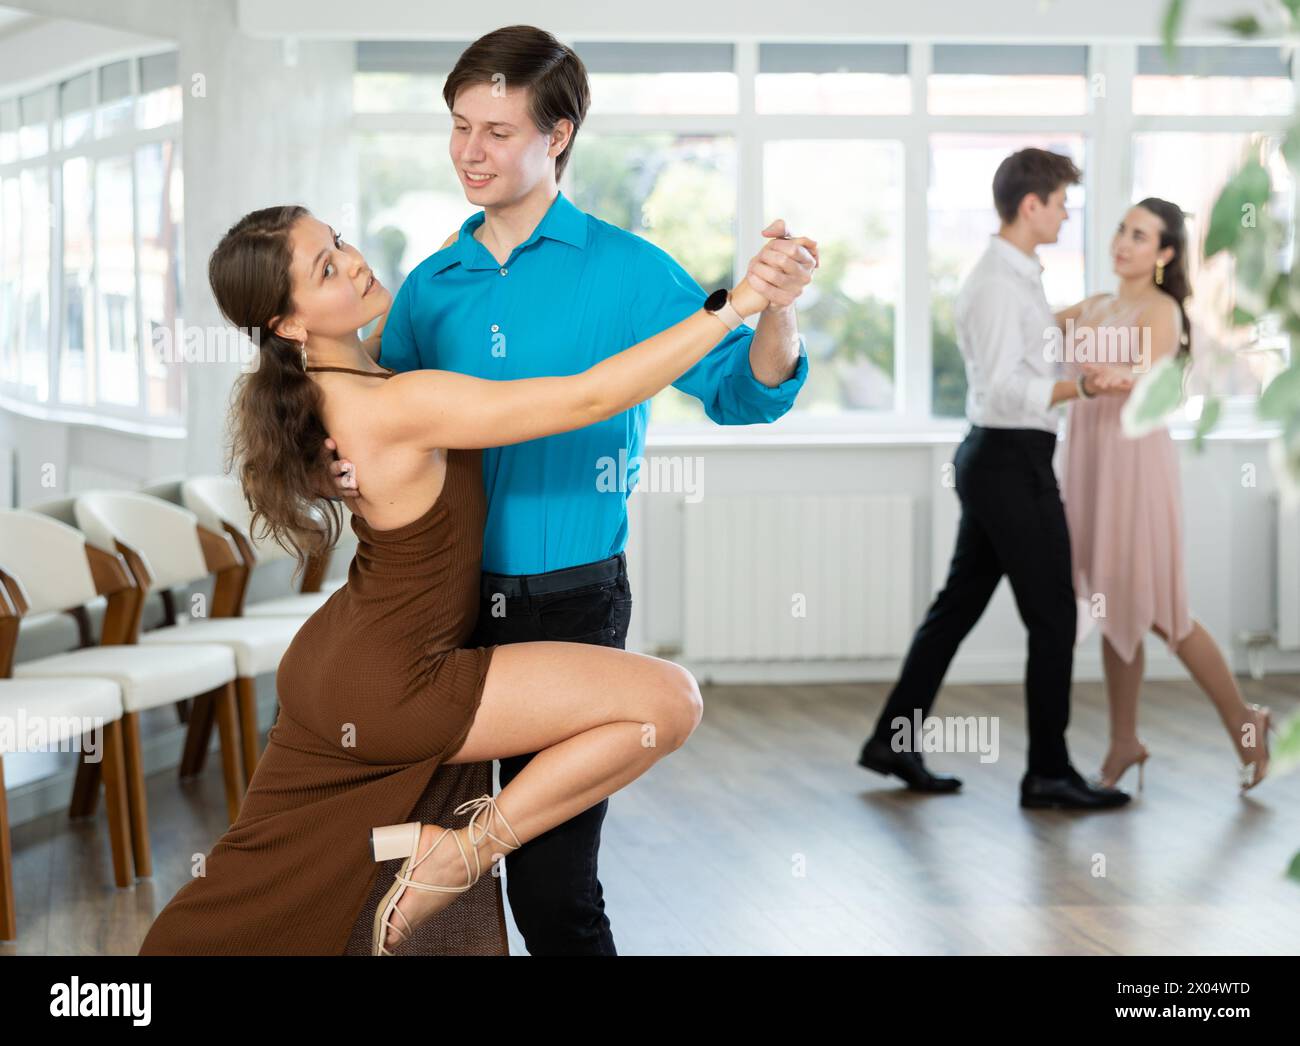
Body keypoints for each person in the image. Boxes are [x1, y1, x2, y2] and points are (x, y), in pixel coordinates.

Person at [136, 202, 791, 955]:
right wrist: (735, 305)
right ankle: (455, 857)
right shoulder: (398, 402)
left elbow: (457, 255)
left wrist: (483, 224)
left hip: (344, 660)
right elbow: (589, 396)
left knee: (261, 878)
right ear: (287, 323)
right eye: (326, 268)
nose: (353, 261)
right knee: (670, 702)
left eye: (340, 241)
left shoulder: (330, 380)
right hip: (392, 674)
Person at [325, 24, 817, 955]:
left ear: (557, 137)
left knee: (551, 885)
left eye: (497, 131)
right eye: (460, 126)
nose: (470, 152)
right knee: (408, 868)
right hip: (439, 613)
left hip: (571, 602)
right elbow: (376, 432)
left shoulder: (628, 271)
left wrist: (776, 305)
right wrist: (336, 467)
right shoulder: (432, 285)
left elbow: (745, 395)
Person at [857, 147, 1130, 809]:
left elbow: (1018, 358)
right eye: (1062, 202)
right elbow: (1010, 388)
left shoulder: (1017, 276)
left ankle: (893, 741)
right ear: (1030, 205)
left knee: (956, 610)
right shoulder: (998, 283)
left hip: (1000, 458)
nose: (1068, 214)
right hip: (1010, 460)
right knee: (1055, 617)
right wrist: (1085, 385)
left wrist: (1069, 328)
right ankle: (1048, 772)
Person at [1056, 198, 1274, 794]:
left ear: (1166, 254)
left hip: (1133, 464)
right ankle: (1125, 740)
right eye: (1122, 230)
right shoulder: (1097, 305)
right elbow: (1034, 327)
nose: (1123, 243)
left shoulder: (1162, 311)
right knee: (1113, 601)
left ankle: (1244, 724)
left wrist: (1092, 374)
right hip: (1092, 458)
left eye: (1141, 236)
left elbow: (1145, 377)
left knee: (1161, 611)